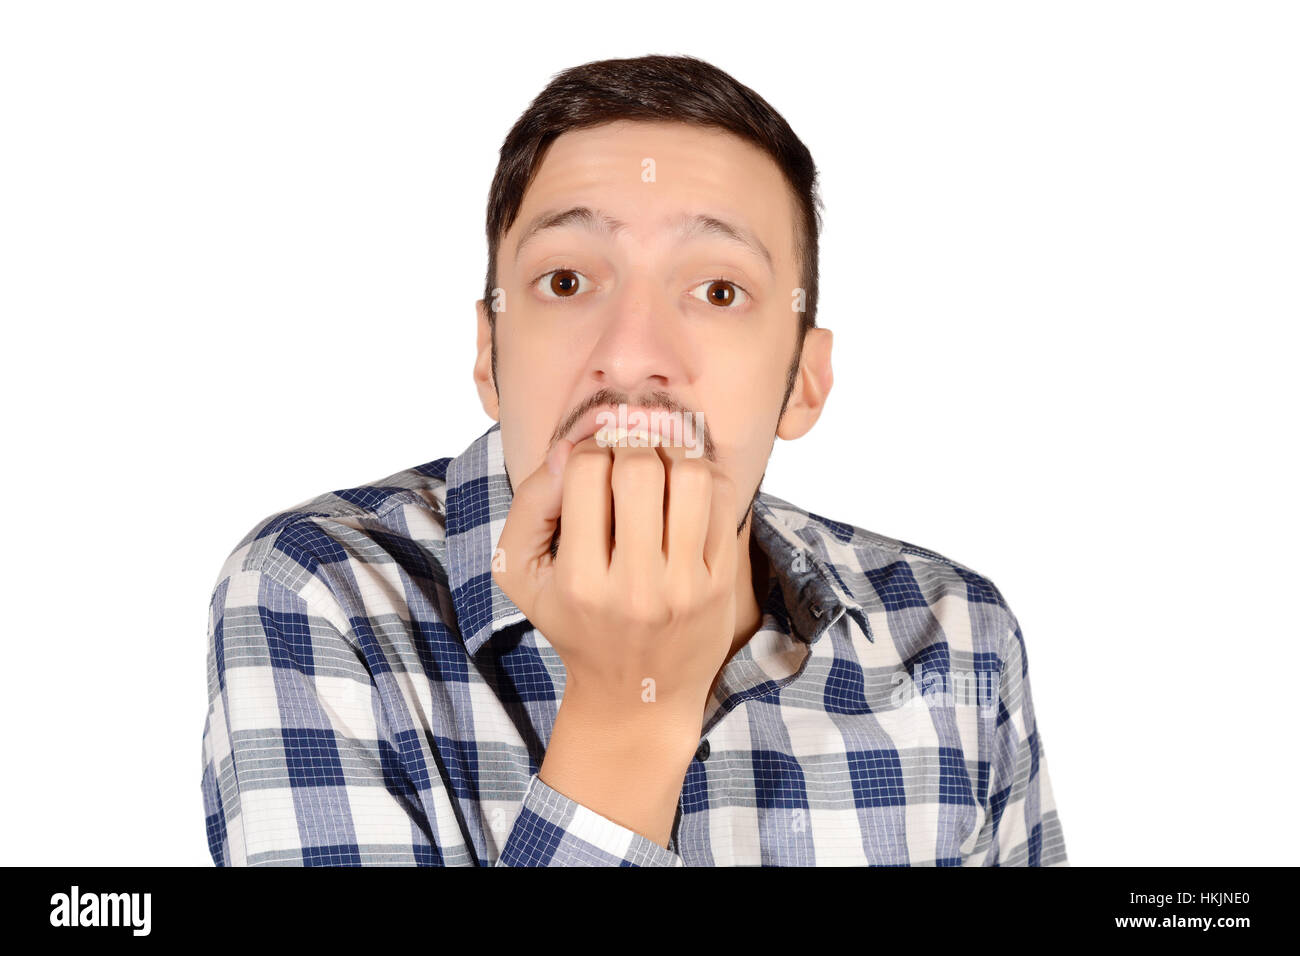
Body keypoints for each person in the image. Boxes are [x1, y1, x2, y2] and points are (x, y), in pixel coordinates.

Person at [200, 53, 1067, 866]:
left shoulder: (956, 636)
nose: (632, 351)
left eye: (718, 291)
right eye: (568, 281)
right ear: (487, 355)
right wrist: (627, 711)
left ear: (803, 383)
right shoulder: (317, 592)